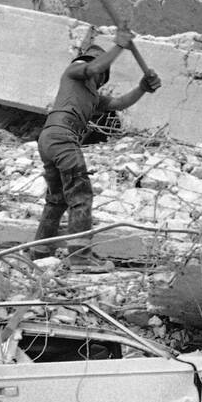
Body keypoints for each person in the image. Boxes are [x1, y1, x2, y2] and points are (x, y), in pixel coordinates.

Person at [33, 32, 161, 263]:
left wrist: (142, 88)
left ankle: (40, 252)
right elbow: (91, 69)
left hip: (50, 137)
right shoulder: (74, 73)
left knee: (58, 199)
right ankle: (80, 258)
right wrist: (118, 47)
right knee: (80, 195)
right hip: (63, 137)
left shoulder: (92, 96)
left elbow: (120, 103)